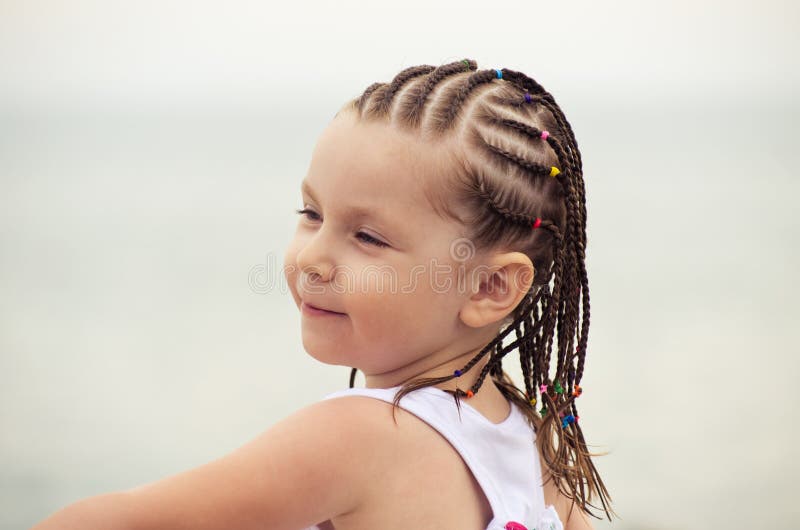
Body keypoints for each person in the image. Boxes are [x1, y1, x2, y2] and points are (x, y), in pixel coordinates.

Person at [30, 59, 616, 530]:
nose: (311, 257)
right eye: (311, 213)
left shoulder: (355, 438)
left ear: (489, 286)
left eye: (368, 237)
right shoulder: (535, 445)